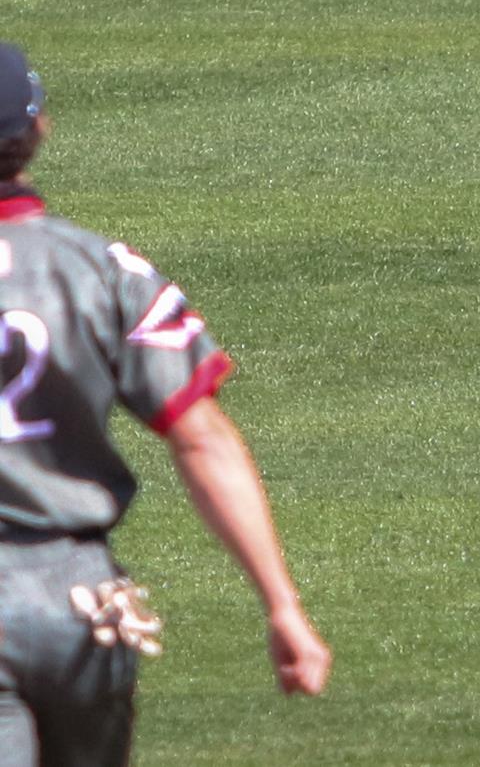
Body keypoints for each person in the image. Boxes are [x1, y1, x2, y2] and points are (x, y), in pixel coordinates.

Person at [0, 42, 330, 765]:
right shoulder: (104, 269)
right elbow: (202, 438)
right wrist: (281, 603)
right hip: (77, 602)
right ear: (38, 128)